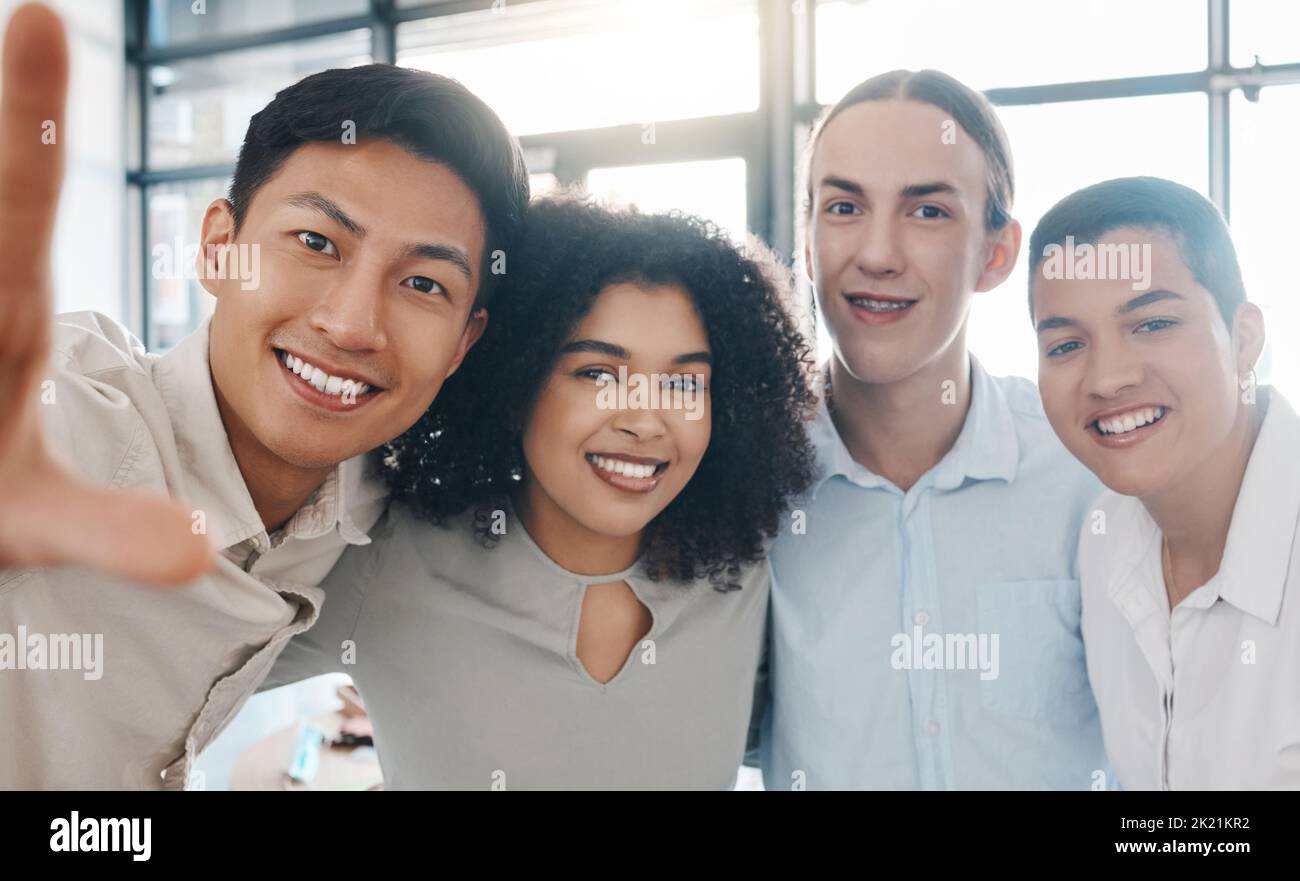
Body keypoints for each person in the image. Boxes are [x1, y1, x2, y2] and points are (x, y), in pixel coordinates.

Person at [0, 3, 528, 788]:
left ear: (462, 344)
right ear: (218, 247)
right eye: (316, 243)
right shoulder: (60, 421)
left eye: (423, 282)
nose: (350, 325)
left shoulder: (377, 500)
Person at [258, 195, 818, 790]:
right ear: (516, 383)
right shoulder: (382, 564)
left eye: (684, 382)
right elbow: (175, 673)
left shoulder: (748, 580)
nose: (646, 421)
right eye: (598, 375)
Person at [752, 69, 1111, 790]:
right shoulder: (747, 488)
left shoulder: (1087, 468)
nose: (877, 253)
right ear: (810, 239)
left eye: (928, 212)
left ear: (996, 253)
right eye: (844, 205)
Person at [1029, 176, 1295, 790]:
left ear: (1245, 338)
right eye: (1067, 344)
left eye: (1152, 324)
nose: (1109, 378)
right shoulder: (1105, 538)